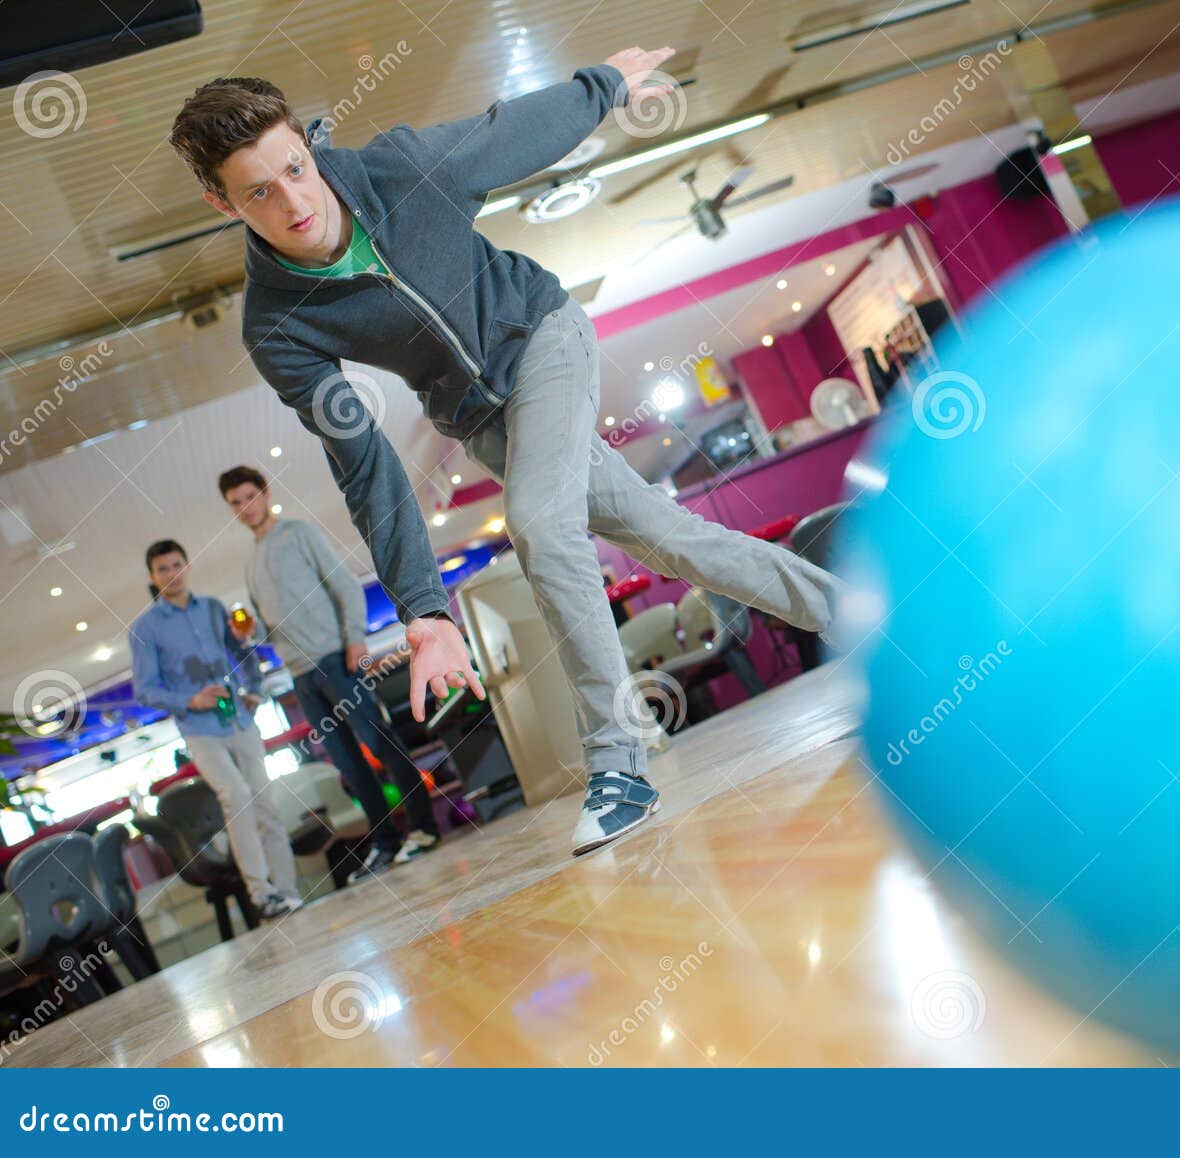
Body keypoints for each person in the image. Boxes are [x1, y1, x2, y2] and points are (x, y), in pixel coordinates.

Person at [168, 48, 844, 855]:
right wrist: (424, 613)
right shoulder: (277, 325)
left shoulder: (399, 171)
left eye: (295, 169)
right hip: (480, 419)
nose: (294, 201)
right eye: (259, 192)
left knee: (540, 524)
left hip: (542, 339)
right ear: (220, 202)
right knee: (671, 539)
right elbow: (365, 463)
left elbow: (507, 136)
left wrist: (604, 86)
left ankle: (620, 764)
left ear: (307, 145)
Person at [219, 465, 441, 879]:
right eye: (235, 503)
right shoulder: (250, 563)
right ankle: (385, 843)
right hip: (300, 675)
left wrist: (355, 639)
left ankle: (424, 829)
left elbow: (344, 586)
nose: (245, 507)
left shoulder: (299, 533)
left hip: (337, 659)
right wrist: (249, 633)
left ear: (266, 493)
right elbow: (269, 629)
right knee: (348, 764)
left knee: (380, 743)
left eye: (249, 496)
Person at [129, 540, 303, 918]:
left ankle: (288, 890)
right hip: (199, 729)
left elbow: (242, 651)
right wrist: (190, 700)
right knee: (236, 796)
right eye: (162, 569)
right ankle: (262, 895)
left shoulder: (212, 608)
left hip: (239, 718)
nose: (172, 574)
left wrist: (254, 689)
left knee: (264, 800)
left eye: (177, 565)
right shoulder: (145, 628)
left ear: (187, 565)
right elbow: (145, 690)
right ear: (152, 577)